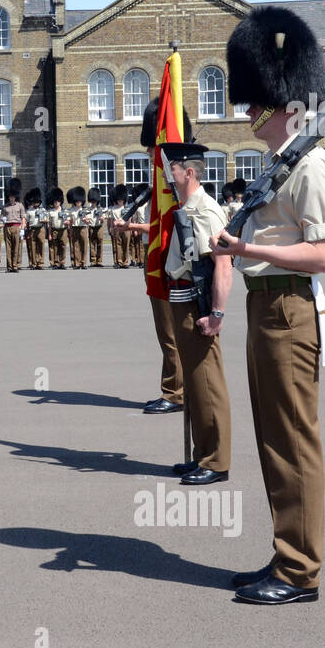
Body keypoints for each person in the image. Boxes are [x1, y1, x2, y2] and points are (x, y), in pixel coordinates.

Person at [211, 4, 325, 605]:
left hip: (289, 310)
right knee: (272, 438)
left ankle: (299, 570)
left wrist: (242, 246)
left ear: (278, 100)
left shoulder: (313, 166)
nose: (245, 112)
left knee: (292, 439)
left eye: (253, 102)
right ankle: (286, 551)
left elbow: (323, 255)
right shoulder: (278, 165)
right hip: (264, 307)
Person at [159, 142, 233, 486]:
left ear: (189, 172)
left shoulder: (205, 210)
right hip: (182, 299)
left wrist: (216, 313)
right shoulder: (188, 206)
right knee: (195, 382)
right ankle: (202, 453)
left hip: (197, 304)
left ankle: (216, 461)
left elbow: (222, 264)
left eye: (171, 167)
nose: (165, 173)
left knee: (207, 383)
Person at [113, 99, 190, 416]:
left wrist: (131, 225)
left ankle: (176, 392)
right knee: (165, 330)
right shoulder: (161, 182)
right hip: (156, 252)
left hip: (170, 257)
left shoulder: (174, 184)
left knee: (171, 330)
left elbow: (169, 226)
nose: (149, 153)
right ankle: (172, 388)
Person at [1, 179, 24, 272]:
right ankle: (9, 266)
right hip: (7, 227)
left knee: (16, 247)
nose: (11, 198)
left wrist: (22, 229)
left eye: (13, 197)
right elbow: (2, 217)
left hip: (17, 226)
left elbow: (23, 218)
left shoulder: (20, 206)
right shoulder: (5, 206)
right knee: (8, 247)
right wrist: (3, 219)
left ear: (15, 197)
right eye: (10, 197)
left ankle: (15, 266)